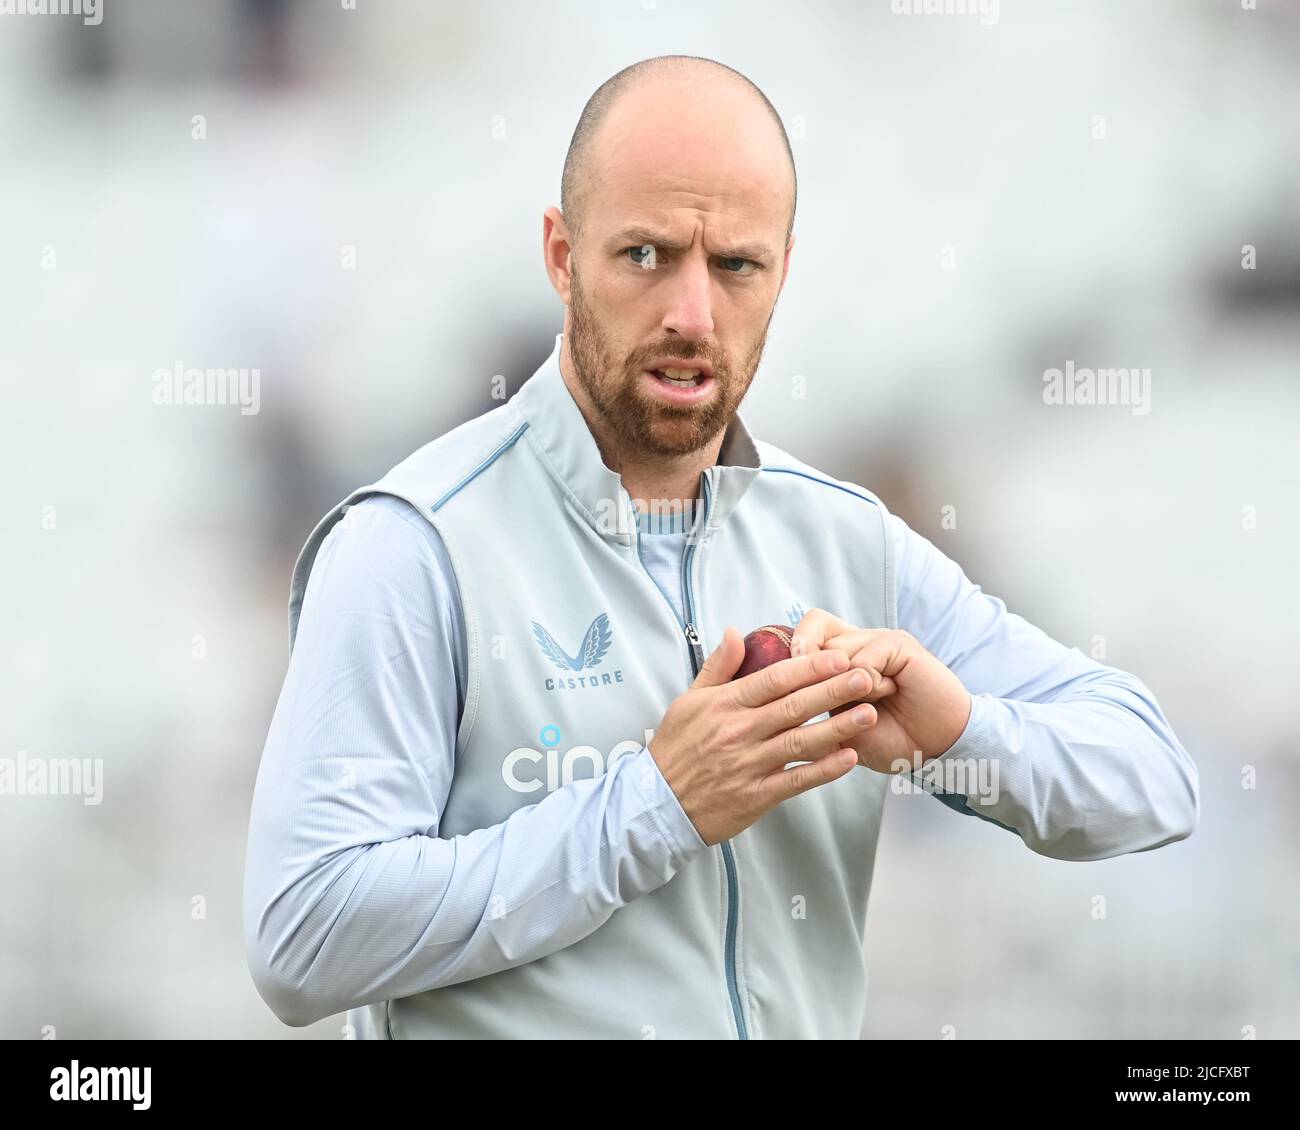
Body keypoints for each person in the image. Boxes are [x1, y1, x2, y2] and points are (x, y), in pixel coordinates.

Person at [242, 55, 1198, 1039]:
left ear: (781, 269)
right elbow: (303, 936)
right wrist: (656, 804)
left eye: (735, 265)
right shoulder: (412, 544)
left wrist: (955, 742)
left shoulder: (845, 538)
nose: (692, 314)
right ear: (561, 256)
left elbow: (1153, 779)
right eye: (646, 255)